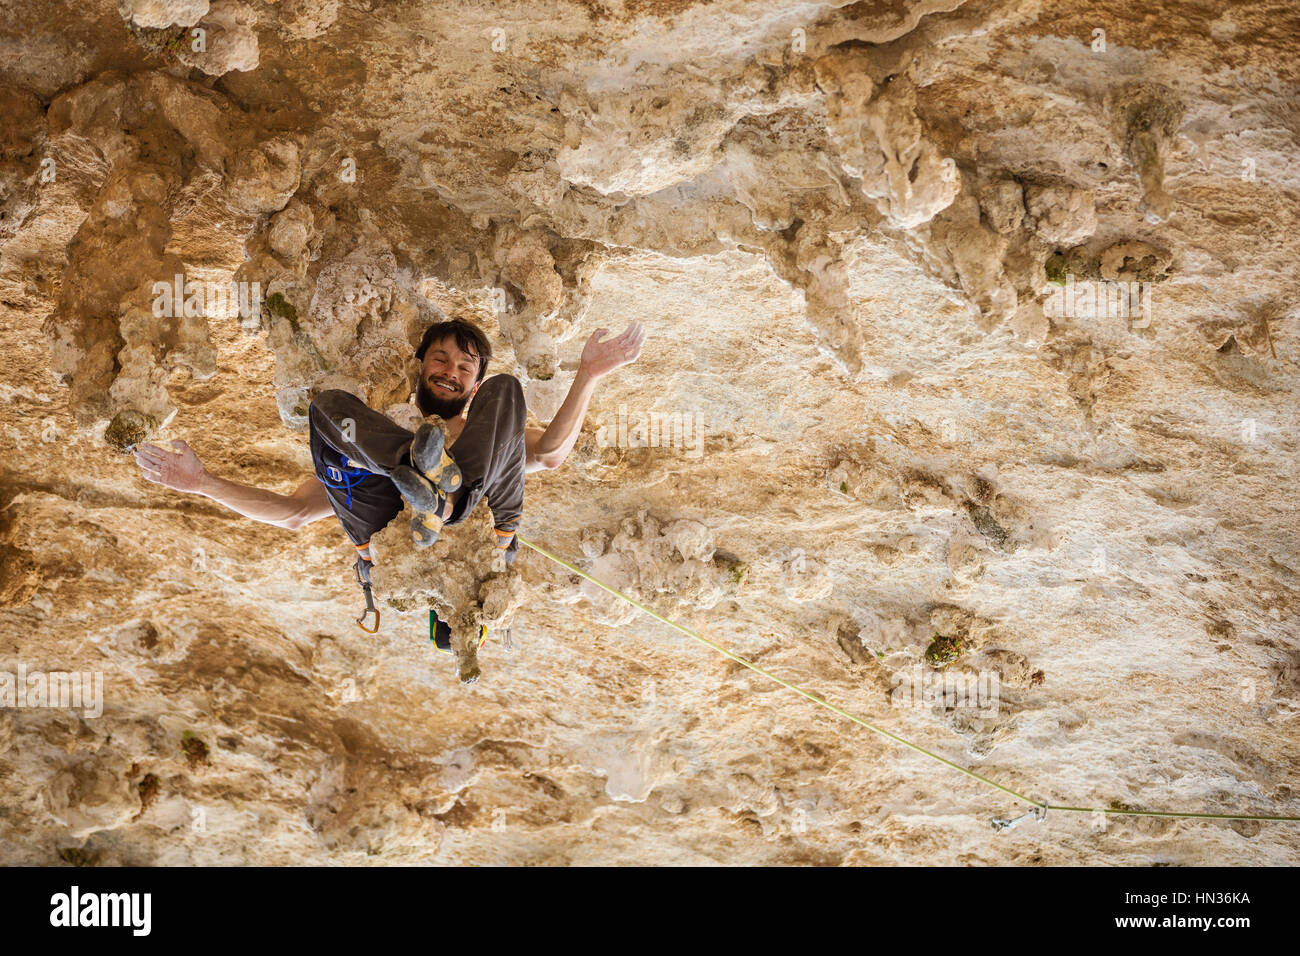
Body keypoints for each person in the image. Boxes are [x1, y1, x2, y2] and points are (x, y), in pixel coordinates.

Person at [133, 318, 645, 579]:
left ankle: (446, 499)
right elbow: (293, 512)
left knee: (509, 388)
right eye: (441, 360)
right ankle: (419, 474)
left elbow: (552, 453)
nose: (451, 372)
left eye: (465, 368)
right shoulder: (386, 430)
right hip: (389, 508)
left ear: (472, 385)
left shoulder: (481, 434)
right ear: (421, 365)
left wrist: (590, 373)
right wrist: (202, 483)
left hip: (477, 521)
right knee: (328, 406)